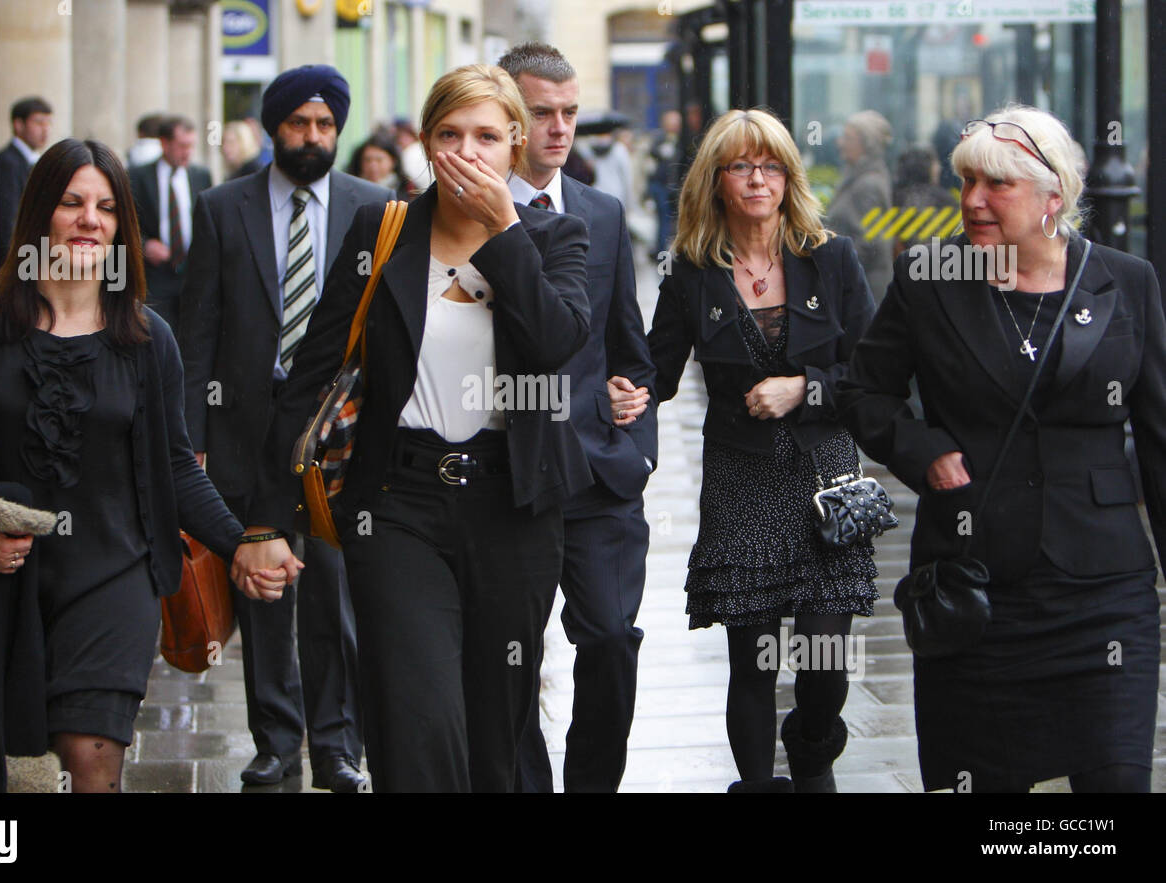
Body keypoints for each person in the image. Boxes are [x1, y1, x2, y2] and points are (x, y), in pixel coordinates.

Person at [234, 63, 592, 792]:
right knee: (416, 716)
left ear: (516, 145)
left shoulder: (557, 238)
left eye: (488, 136)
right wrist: (265, 521)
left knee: (496, 734)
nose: (469, 151)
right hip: (397, 505)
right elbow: (311, 373)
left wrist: (503, 227)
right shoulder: (385, 227)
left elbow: (557, 341)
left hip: (514, 509)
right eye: (451, 134)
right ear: (426, 143)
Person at [0, 138, 290, 792]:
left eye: (106, 207)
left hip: (113, 576)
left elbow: (176, 466)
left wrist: (242, 541)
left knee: (90, 752)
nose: (90, 219)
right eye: (72, 202)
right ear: (37, 215)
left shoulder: (145, 337)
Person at [838, 106, 1165, 793]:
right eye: (966, 183)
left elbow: (1160, 437)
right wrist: (922, 449)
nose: (973, 201)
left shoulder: (1126, 281)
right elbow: (866, 392)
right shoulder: (929, 278)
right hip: (974, 589)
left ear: (1054, 197)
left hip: (1103, 593)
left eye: (996, 185)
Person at [635, 108, 878, 793]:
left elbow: (869, 374)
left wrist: (805, 389)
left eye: (769, 164)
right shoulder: (692, 271)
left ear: (788, 176)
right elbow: (656, 370)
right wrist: (614, 390)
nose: (756, 179)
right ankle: (757, 784)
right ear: (714, 182)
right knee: (752, 657)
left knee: (825, 659)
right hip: (740, 479)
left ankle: (810, 746)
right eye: (739, 166)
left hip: (824, 481)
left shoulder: (830, 258)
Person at [179, 65, 387, 792]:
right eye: (299, 124)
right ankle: (275, 739)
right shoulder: (221, 208)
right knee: (262, 583)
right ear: (274, 128)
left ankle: (336, 745)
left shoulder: (374, 207)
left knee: (333, 589)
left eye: (326, 125)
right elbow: (197, 326)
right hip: (244, 426)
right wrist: (190, 436)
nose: (313, 137)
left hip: (334, 434)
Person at [497, 42, 657, 793]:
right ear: (507, 115)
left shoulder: (600, 210)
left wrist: (636, 420)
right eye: (541, 114)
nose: (559, 129)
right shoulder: (462, 215)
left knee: (612, 640)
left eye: (569, 114)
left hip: (598, 475)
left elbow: (632, 344)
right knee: (508, 657)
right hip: (501, 475)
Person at [130, 115, 212, 335]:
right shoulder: (139, 177)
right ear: (164, 144)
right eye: (182, 146)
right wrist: (145, 245)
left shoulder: (201, 176)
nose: (187, 152)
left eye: (191, 146)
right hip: (155, 276)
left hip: (191, 273)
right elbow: (128, 223)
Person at [827, 110, 894, 301]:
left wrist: (834, 263)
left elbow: (871, 243)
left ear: (866, 144)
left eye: (848, 138)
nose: (840, 143)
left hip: (864, 290)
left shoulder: (868, 185)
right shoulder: (855, 177)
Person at [0, 96, 53, 267]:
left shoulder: (36, 161)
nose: (45, 129)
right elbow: (7, 220)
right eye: (38, 122)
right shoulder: (7, 162)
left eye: (48, 123)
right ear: (18, 125)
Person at [890, 145, 957, 255]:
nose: (939, 168)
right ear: (925, 167)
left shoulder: (895, 197)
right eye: (935, 163)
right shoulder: (943, 200)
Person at [648, 109, 682, 256]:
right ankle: (662, 252)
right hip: (661, 186)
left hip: (677, 185)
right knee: (663, 219)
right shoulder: (659, 140)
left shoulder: (682, 140)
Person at [346, 132, 410, 200]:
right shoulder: (350, 189)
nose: (373, 165)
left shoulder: (408, 189)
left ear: (393, 161)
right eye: (367, 160)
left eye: (379, 160)